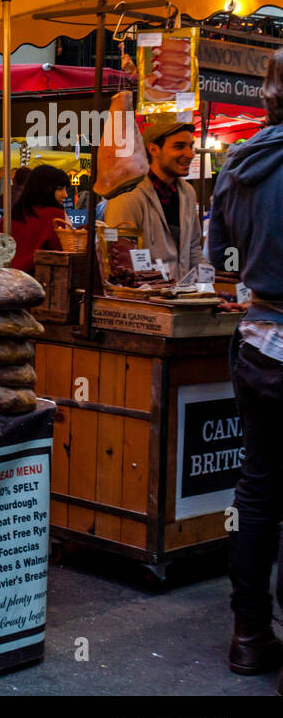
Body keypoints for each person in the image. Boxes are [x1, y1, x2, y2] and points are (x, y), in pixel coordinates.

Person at [208, 49, 283, 684]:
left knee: (259, 487)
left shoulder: (240, 162)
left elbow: (222, 260)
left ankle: (250, 636)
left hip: (260, 340)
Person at [105, 120, 210, 277]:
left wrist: (208, 287)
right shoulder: (128, 195)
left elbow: (194, 248)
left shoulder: (188, 192)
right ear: (154, 149)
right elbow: (119, 257)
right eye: (179, 146)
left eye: (191, 146)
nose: (190, 154)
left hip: (183, 297)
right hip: (145, 298)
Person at [6, 165, 69, 272]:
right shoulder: (56, 216)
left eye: (65, 189)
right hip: (38, 279)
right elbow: (63, 254)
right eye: (59, 189)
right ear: (44, 189)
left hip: (5, 277)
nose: (65, 195)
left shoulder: (9, 217)